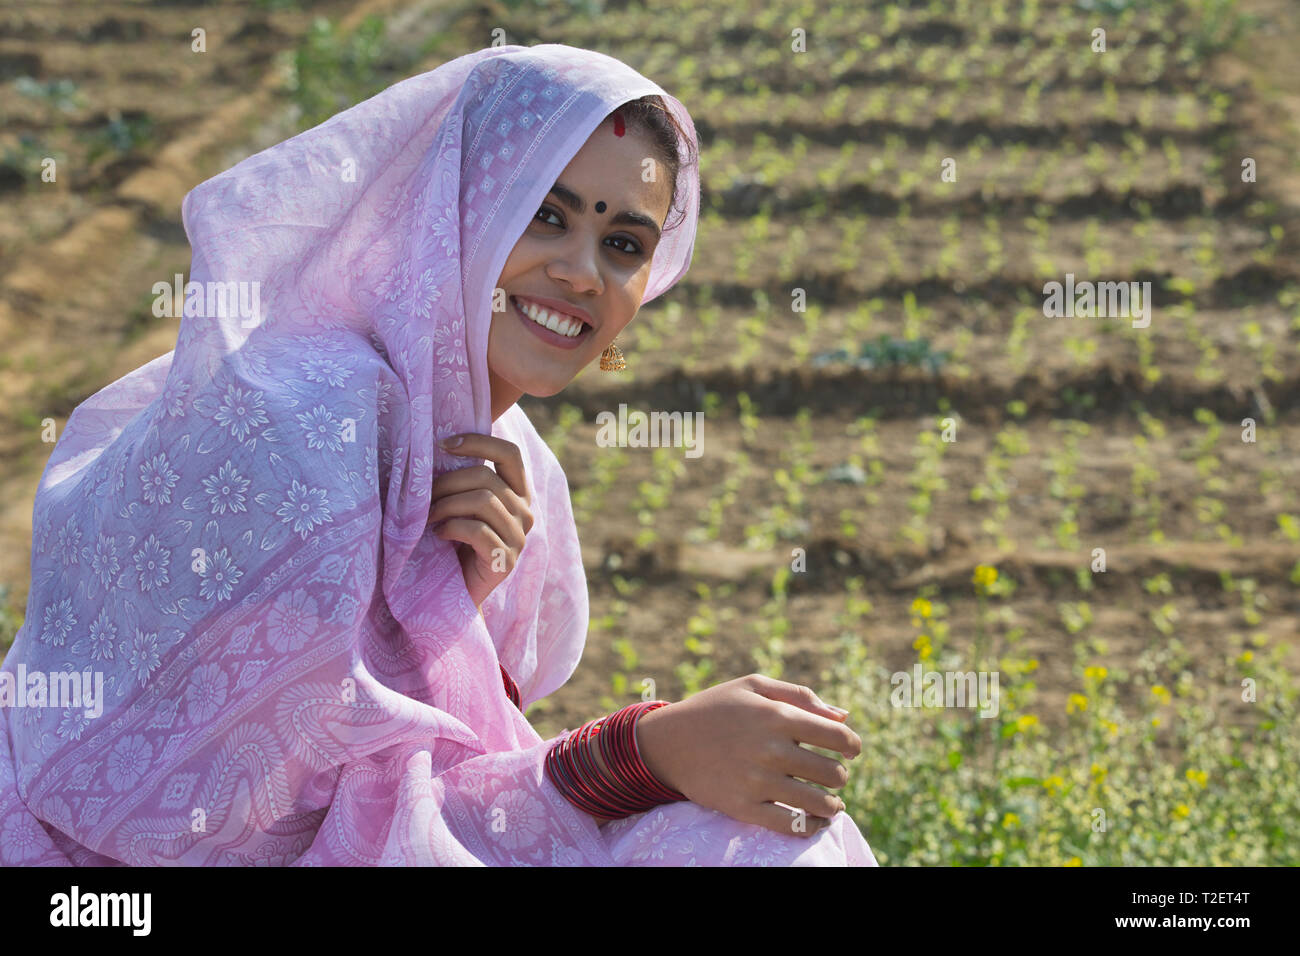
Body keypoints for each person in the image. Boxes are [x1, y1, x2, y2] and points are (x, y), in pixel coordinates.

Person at [0, 43, 877, 865]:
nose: (582, 273)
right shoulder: (296, 428)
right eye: (545, 215)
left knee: (777, 838)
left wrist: (455, 605)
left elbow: (439, 773)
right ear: (456, 207)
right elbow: (269, 837)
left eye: (623, 245)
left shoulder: (511, 465)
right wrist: (640, 751)